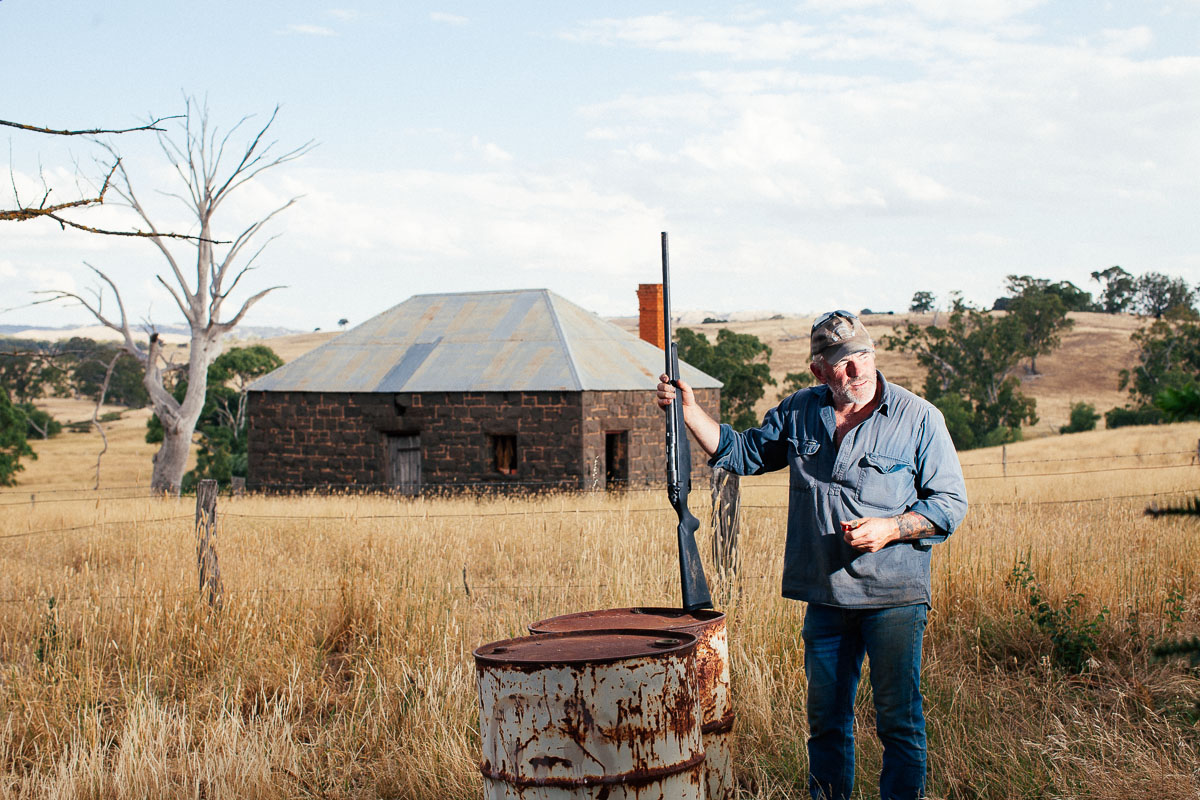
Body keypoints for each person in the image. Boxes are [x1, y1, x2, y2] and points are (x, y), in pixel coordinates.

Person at [657, 310, 967, 800]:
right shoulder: (800, 410)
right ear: (819, 370)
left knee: (899, 724)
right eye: (843, 363)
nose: (857, 371)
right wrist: (688, 410)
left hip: (893, 597)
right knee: (826, 726)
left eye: (862, 356)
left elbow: (949, 504)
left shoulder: (919, 417)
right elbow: (741, 454)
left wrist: (892, 528)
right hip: (825, 599)